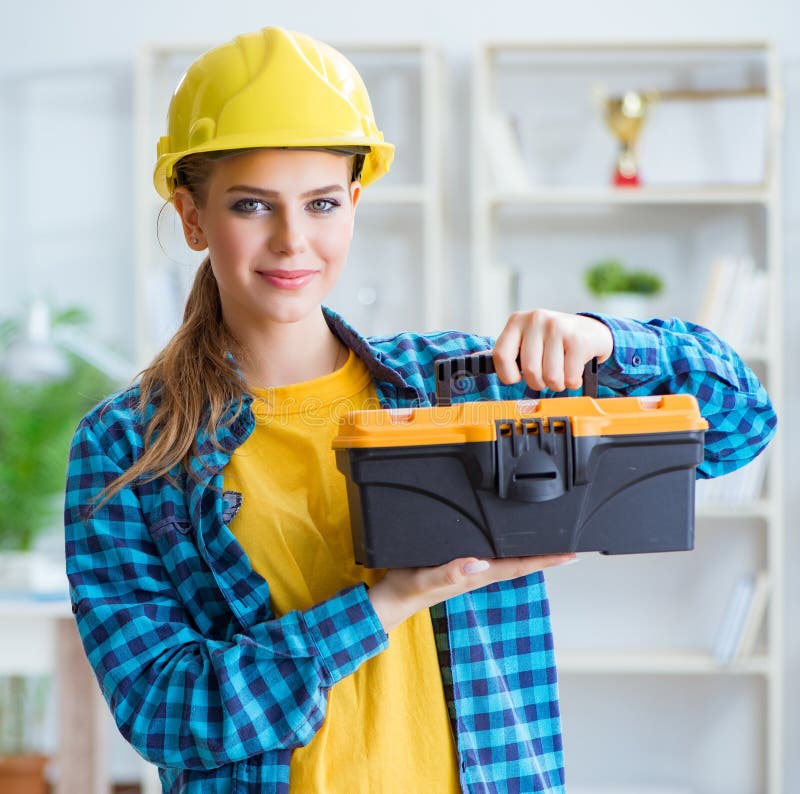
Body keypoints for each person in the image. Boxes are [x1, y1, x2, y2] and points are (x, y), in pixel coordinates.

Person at [64, 25, 776, 794]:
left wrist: (604, 341)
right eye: (251, 205)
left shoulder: (467, 387)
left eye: (322, 202)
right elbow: (166, 708)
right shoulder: (130, 446)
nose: (293, 240)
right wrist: (390, 600)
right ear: (194, 215)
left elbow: (739, 427)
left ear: (355, 203)